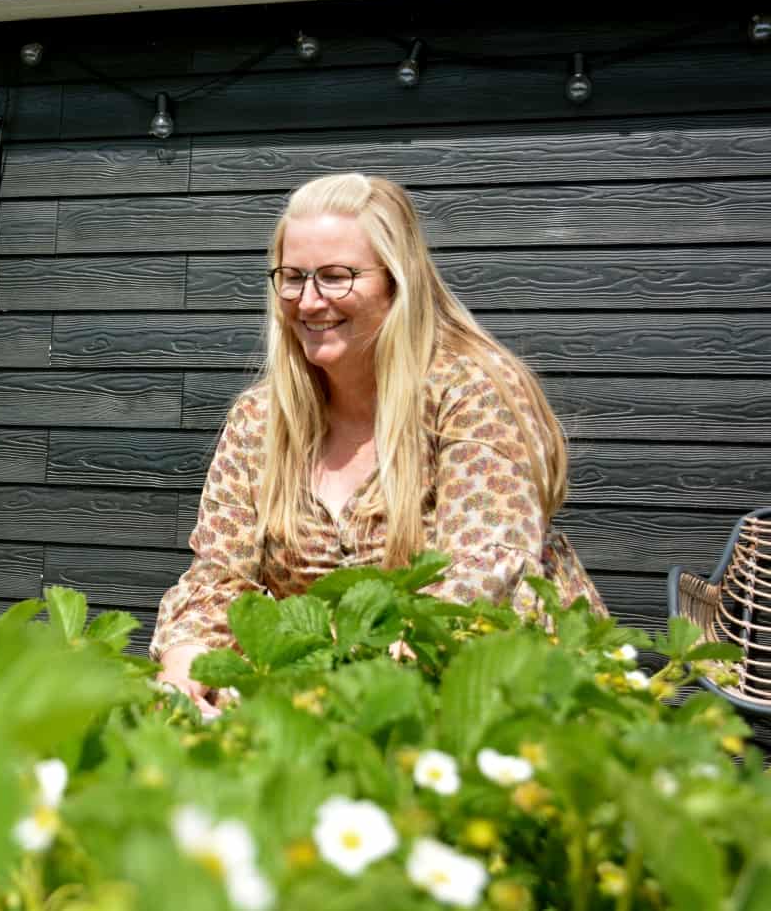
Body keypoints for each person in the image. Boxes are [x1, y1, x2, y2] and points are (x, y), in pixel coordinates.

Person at [152, 173, 604, 712]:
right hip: (330, 697)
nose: (309, 301)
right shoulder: (261, 419)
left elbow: (483, 574)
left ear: (396, 280)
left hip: (505, 693)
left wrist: (326, 680)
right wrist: (187, 661)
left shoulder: (474, 392)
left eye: (336, 277)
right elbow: (219, 576)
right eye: (292, 278)